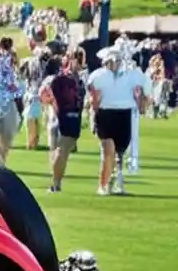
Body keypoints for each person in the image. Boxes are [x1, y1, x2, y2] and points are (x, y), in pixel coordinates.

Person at [88, 47, 148, 195]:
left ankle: (116, 183)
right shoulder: (98, 76)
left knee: (119, 153)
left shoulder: (130, 75)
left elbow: (142, 90)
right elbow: (94, 98)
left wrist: (142, 103)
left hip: (124, 114)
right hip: (106, 114)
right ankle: (103, 185)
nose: (115, 64)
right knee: (108, 150)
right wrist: (93, 115)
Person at [40, 53, 82, 192]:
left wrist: (51, 103)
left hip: (55, 116)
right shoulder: (78, 79)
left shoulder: (51, 80)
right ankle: (57, 183)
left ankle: (56, 183)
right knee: (63, 152)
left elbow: (42, 97)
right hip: (73, 117)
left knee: (56, 151)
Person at [0, 37, 23, 164]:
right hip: (6, 102)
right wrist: (20, 99)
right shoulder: (8, 60)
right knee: (5, 135)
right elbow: (11, 84)